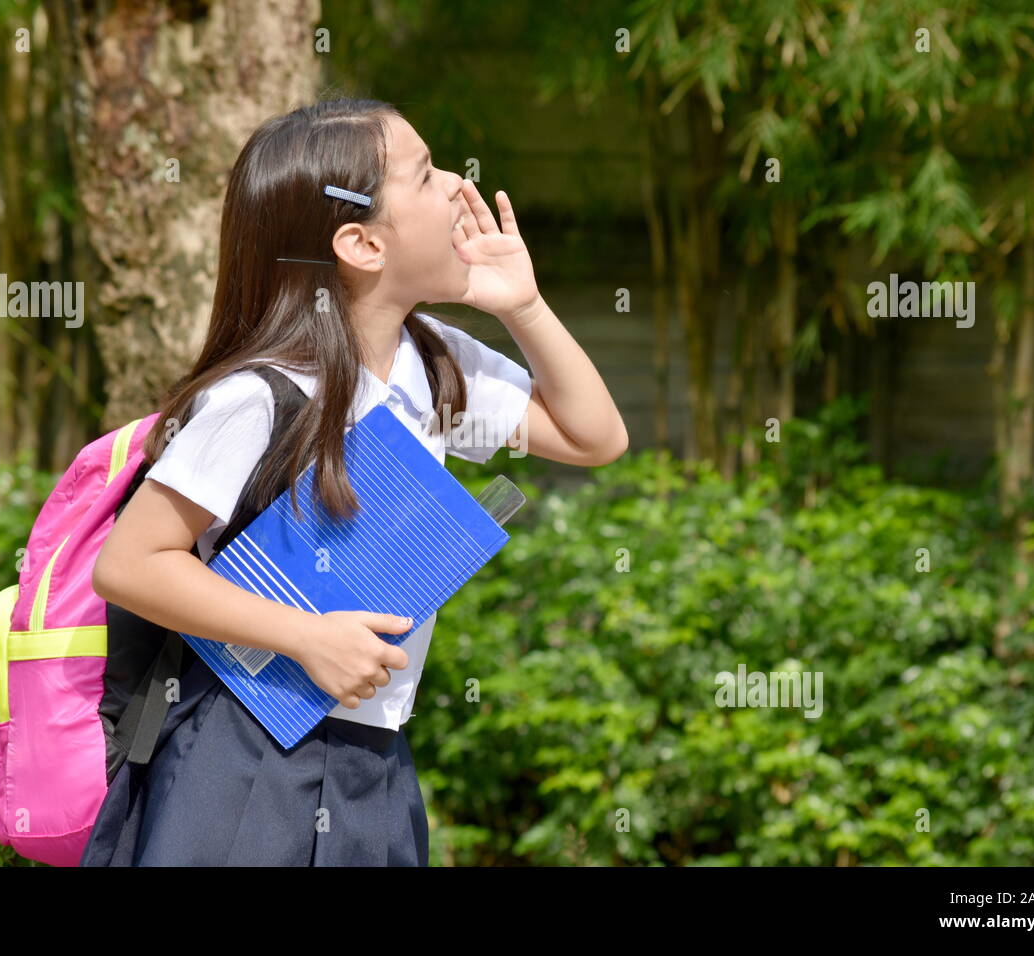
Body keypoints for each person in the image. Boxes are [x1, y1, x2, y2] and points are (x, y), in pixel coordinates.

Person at [80, 97, 628, 866]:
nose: (456, 189)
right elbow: (131, 564)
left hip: (373, 760)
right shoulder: (260, 395)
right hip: (239, 753)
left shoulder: (434, 364)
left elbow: (593, 436)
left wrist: (526, 306)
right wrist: (306, 636)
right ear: (361, 243)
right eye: (426, 174)